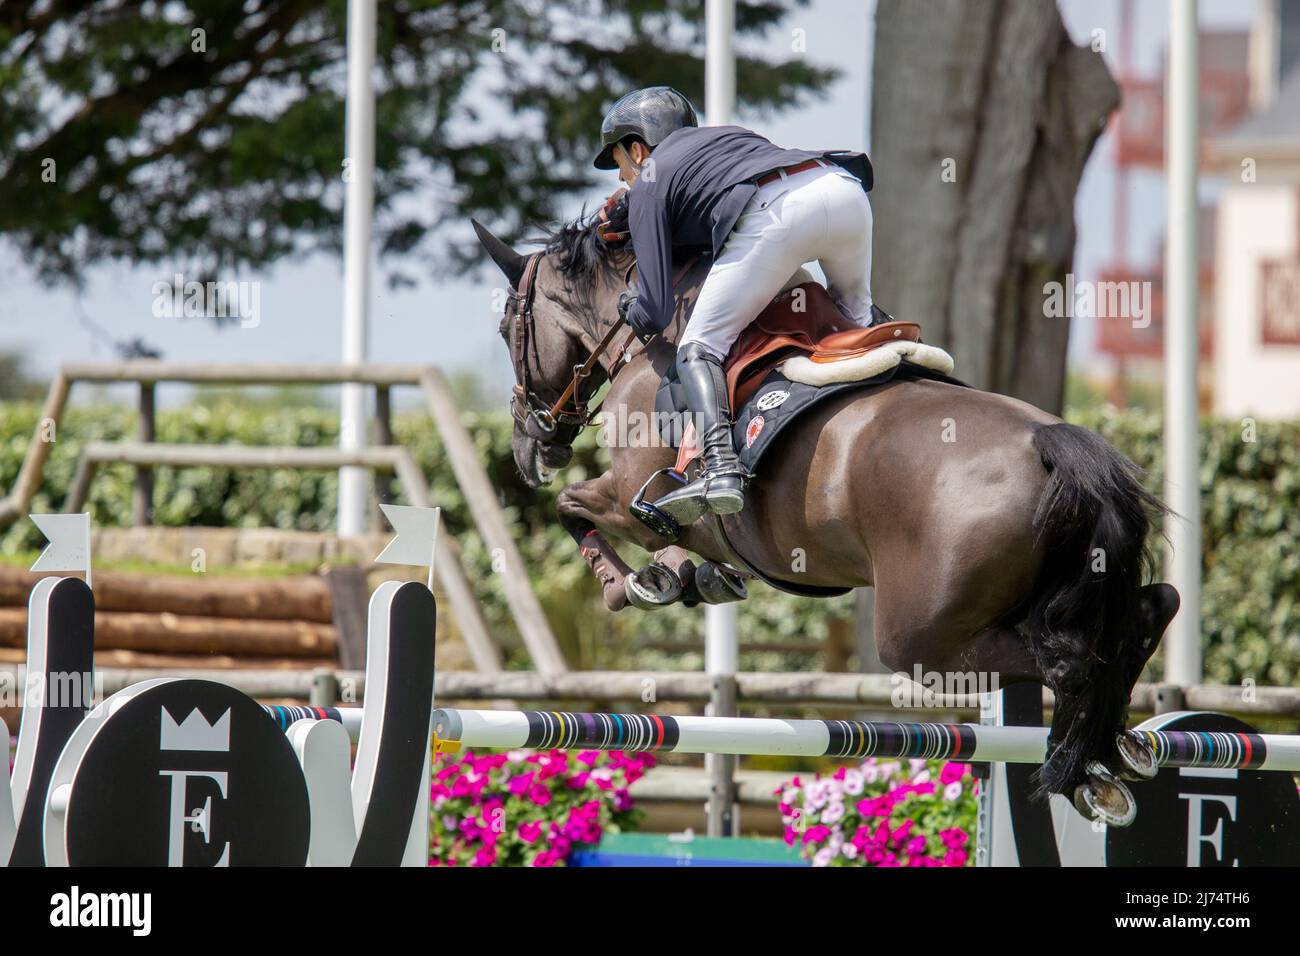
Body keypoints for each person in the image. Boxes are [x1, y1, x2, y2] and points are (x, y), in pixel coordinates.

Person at [595, 86, 878, 523]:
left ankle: (722, 466)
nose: (620, 178)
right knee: (856, 328)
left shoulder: (649, 182)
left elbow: (654, 312)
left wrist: (627, 303)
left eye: (617, 163)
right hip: (843, 191)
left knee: (698, 348)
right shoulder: (728, 137)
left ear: (637, 148)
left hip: (780, 215)